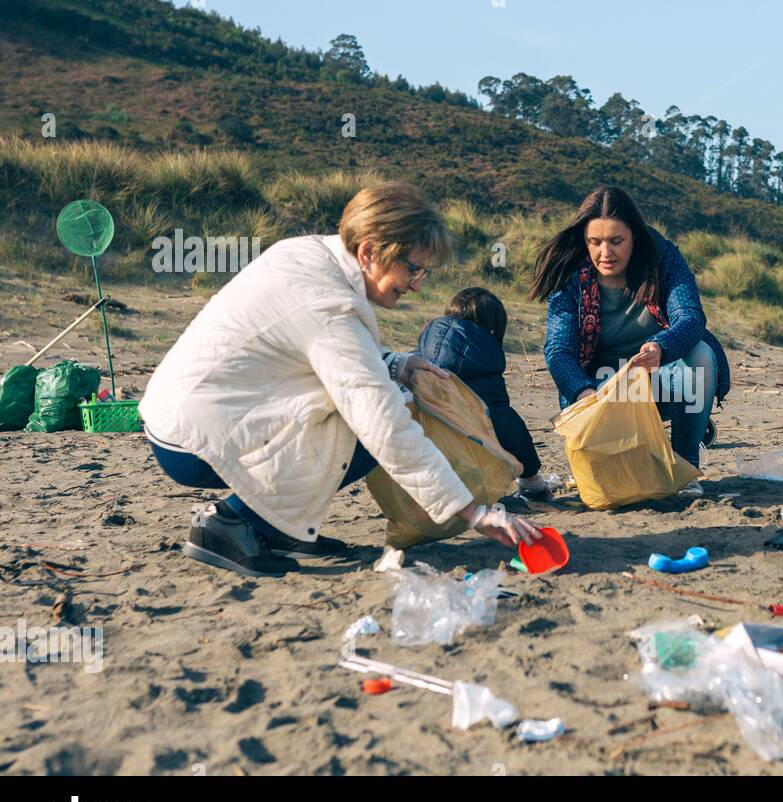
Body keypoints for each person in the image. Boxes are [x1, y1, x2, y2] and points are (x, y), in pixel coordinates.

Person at [139, 181, 540, 578]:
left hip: (188, 413)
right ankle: (229, 524)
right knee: (376, 418)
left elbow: (306, 351)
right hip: (192, 442)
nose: (418, 283)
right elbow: (381, 422)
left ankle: (276, 526)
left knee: (374, 400)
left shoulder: (310, 253)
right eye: (412, 268)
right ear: (369, 251)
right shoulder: (328, 306)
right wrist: (473, 512)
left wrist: (396, 363)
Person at [530, 185, 730, 496]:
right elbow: (558, 351)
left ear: (634, 236)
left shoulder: (662, 257)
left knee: (701, 353)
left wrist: (661, 347)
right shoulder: (570, 276)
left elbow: (691, 317)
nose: (605, 253)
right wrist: (584, 394)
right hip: (601, 388)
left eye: (616, 241)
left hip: (658, 378)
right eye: (594, 242)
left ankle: (685, 465)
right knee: (621, 479)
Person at [417, 287, 552, 500]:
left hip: (412, 467)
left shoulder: (418, 356)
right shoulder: (481, 366)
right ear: (492, 331)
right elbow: (506, 426)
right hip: (459, 479)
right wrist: (531, 478)